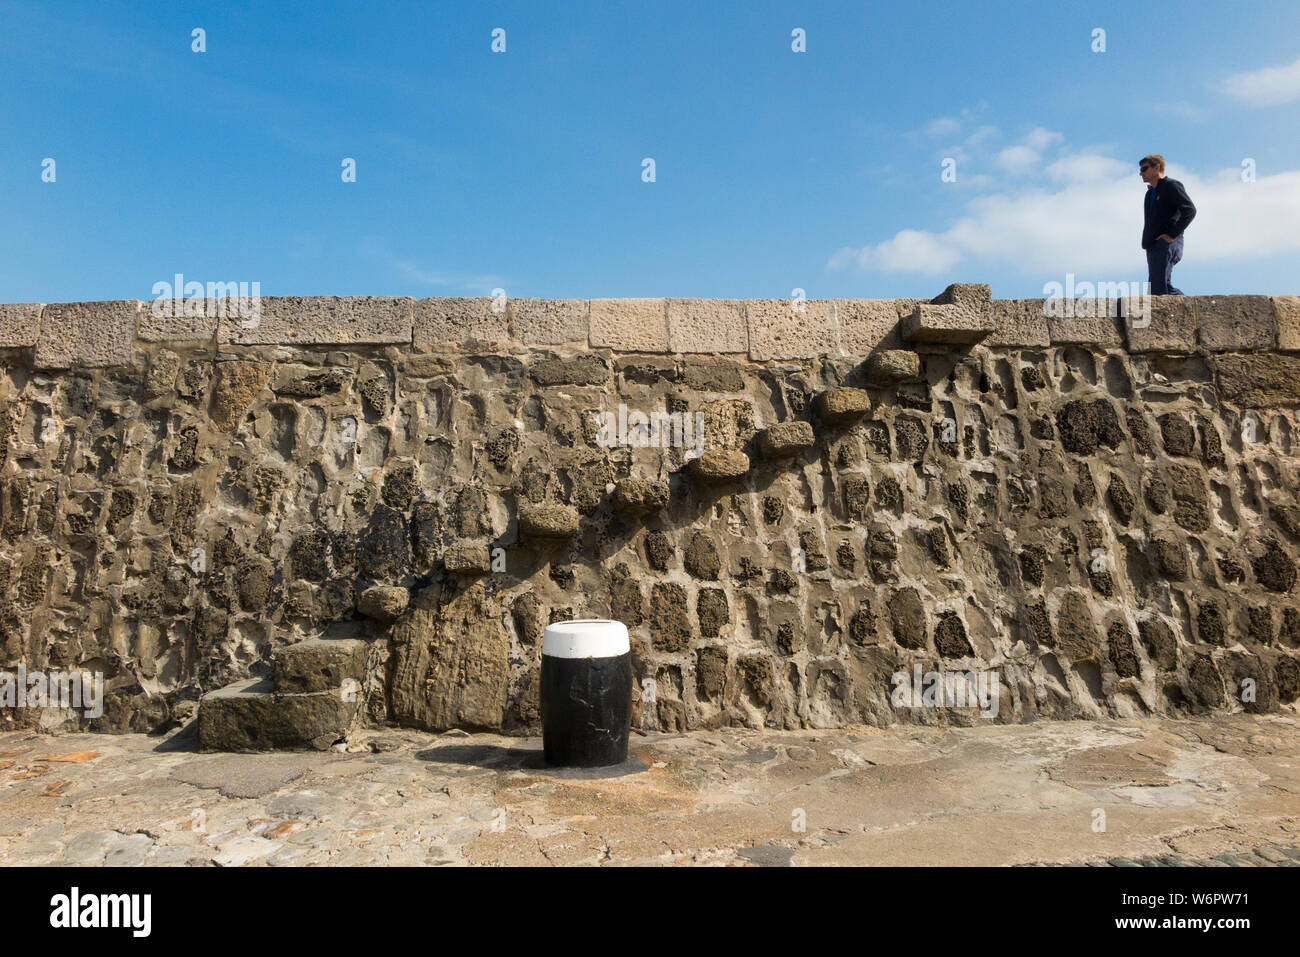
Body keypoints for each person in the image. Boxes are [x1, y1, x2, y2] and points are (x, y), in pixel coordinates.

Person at [1139, 154, 1196, 295]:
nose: (1141, 173)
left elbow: (1190, 210)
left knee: (1158, 290)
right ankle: (1184, 304)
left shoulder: (1172, 186)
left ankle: (1188, 306)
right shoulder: (1149, 194)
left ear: (1157, 167)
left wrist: (1171, 235)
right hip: (1153, 247)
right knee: (1158, 289)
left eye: (1144, 169)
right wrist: (1147, 243)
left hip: (1167, 243)